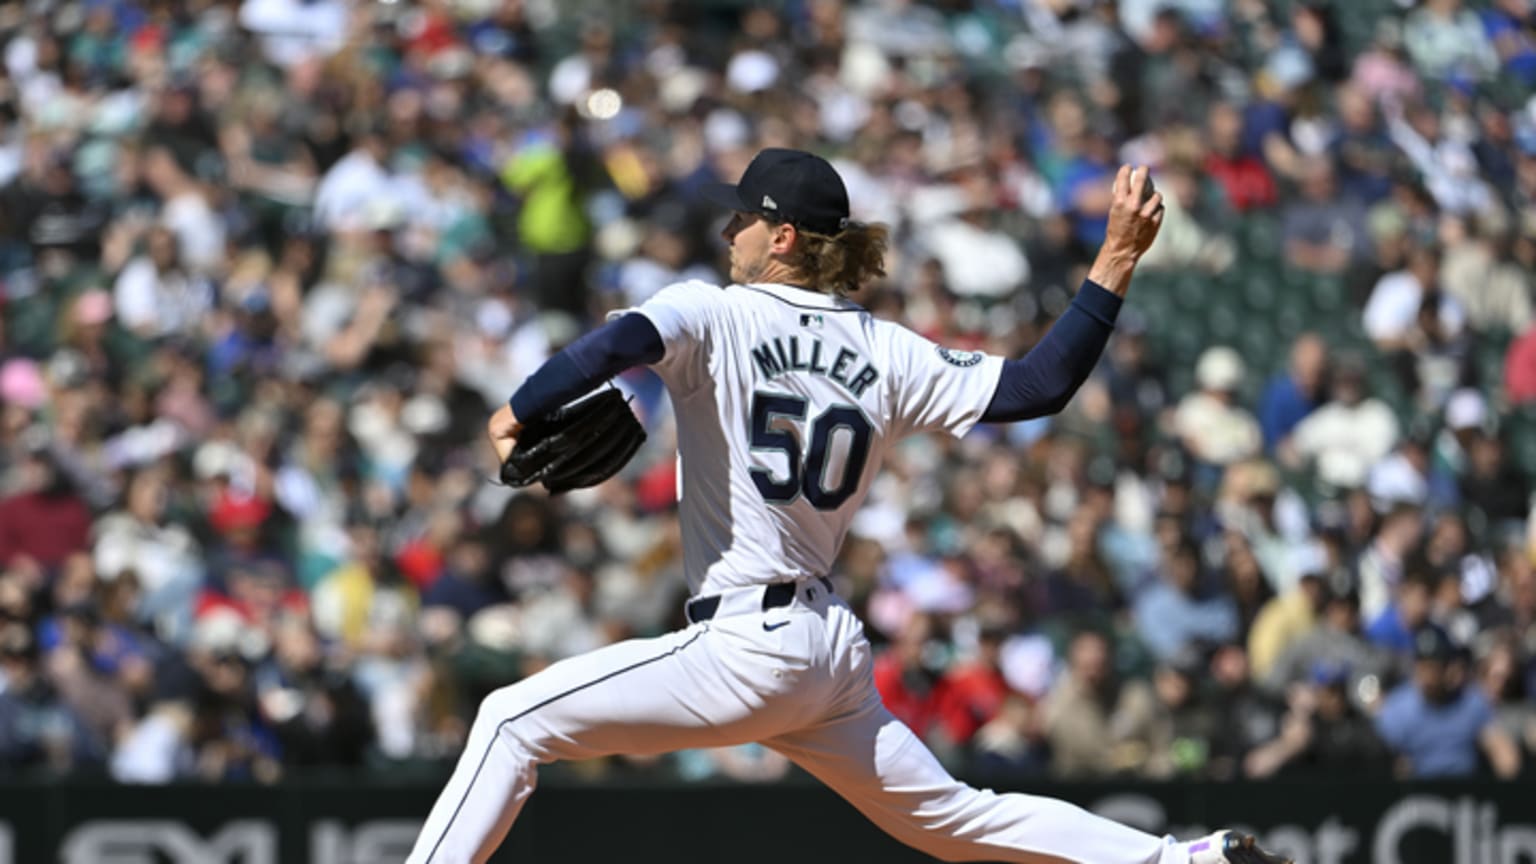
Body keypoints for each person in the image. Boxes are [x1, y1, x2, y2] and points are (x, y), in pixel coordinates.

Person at [407, 149, 1288, 864]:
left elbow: (623, 339)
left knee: (508, 721)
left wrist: (516, 408)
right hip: (825, 652)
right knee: (952, 818)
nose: (729, 232)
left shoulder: (715, 313)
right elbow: (1037, 386)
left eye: (743, 218)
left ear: (782, 236)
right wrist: (1116, 261)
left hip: (745, 644)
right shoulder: (887, 347)